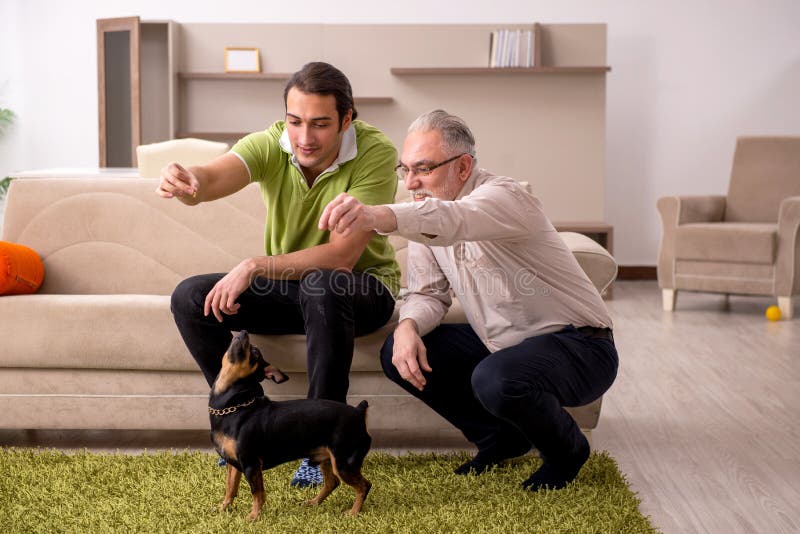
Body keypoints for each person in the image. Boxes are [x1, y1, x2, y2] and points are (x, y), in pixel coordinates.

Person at [318, 109, 618, 491]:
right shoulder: (423, 217)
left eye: (423, 169)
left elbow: (454, 219)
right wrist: (408, 327)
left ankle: (567, 452)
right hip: (504, 347)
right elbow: (427, 293)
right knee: (400, 349)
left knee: (495, 378)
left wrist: (375, 215)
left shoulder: (504, 197)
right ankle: (501, 439)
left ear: (463, 167)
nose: (411, 183)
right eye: (405, 170)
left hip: (582, 347)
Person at [158, 62, 400, 487]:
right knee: (190, 297)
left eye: (321, 124)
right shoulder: (274, 143)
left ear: (347, 120)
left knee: (324, 283)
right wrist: (188, 179)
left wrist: (254, 265)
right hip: (297, 291)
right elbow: (213, 177)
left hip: (360, 290)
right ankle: (248, 424)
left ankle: (319, 442)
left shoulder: (376, 154)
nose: (305, 137)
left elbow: (342, 255)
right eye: (295, 122)